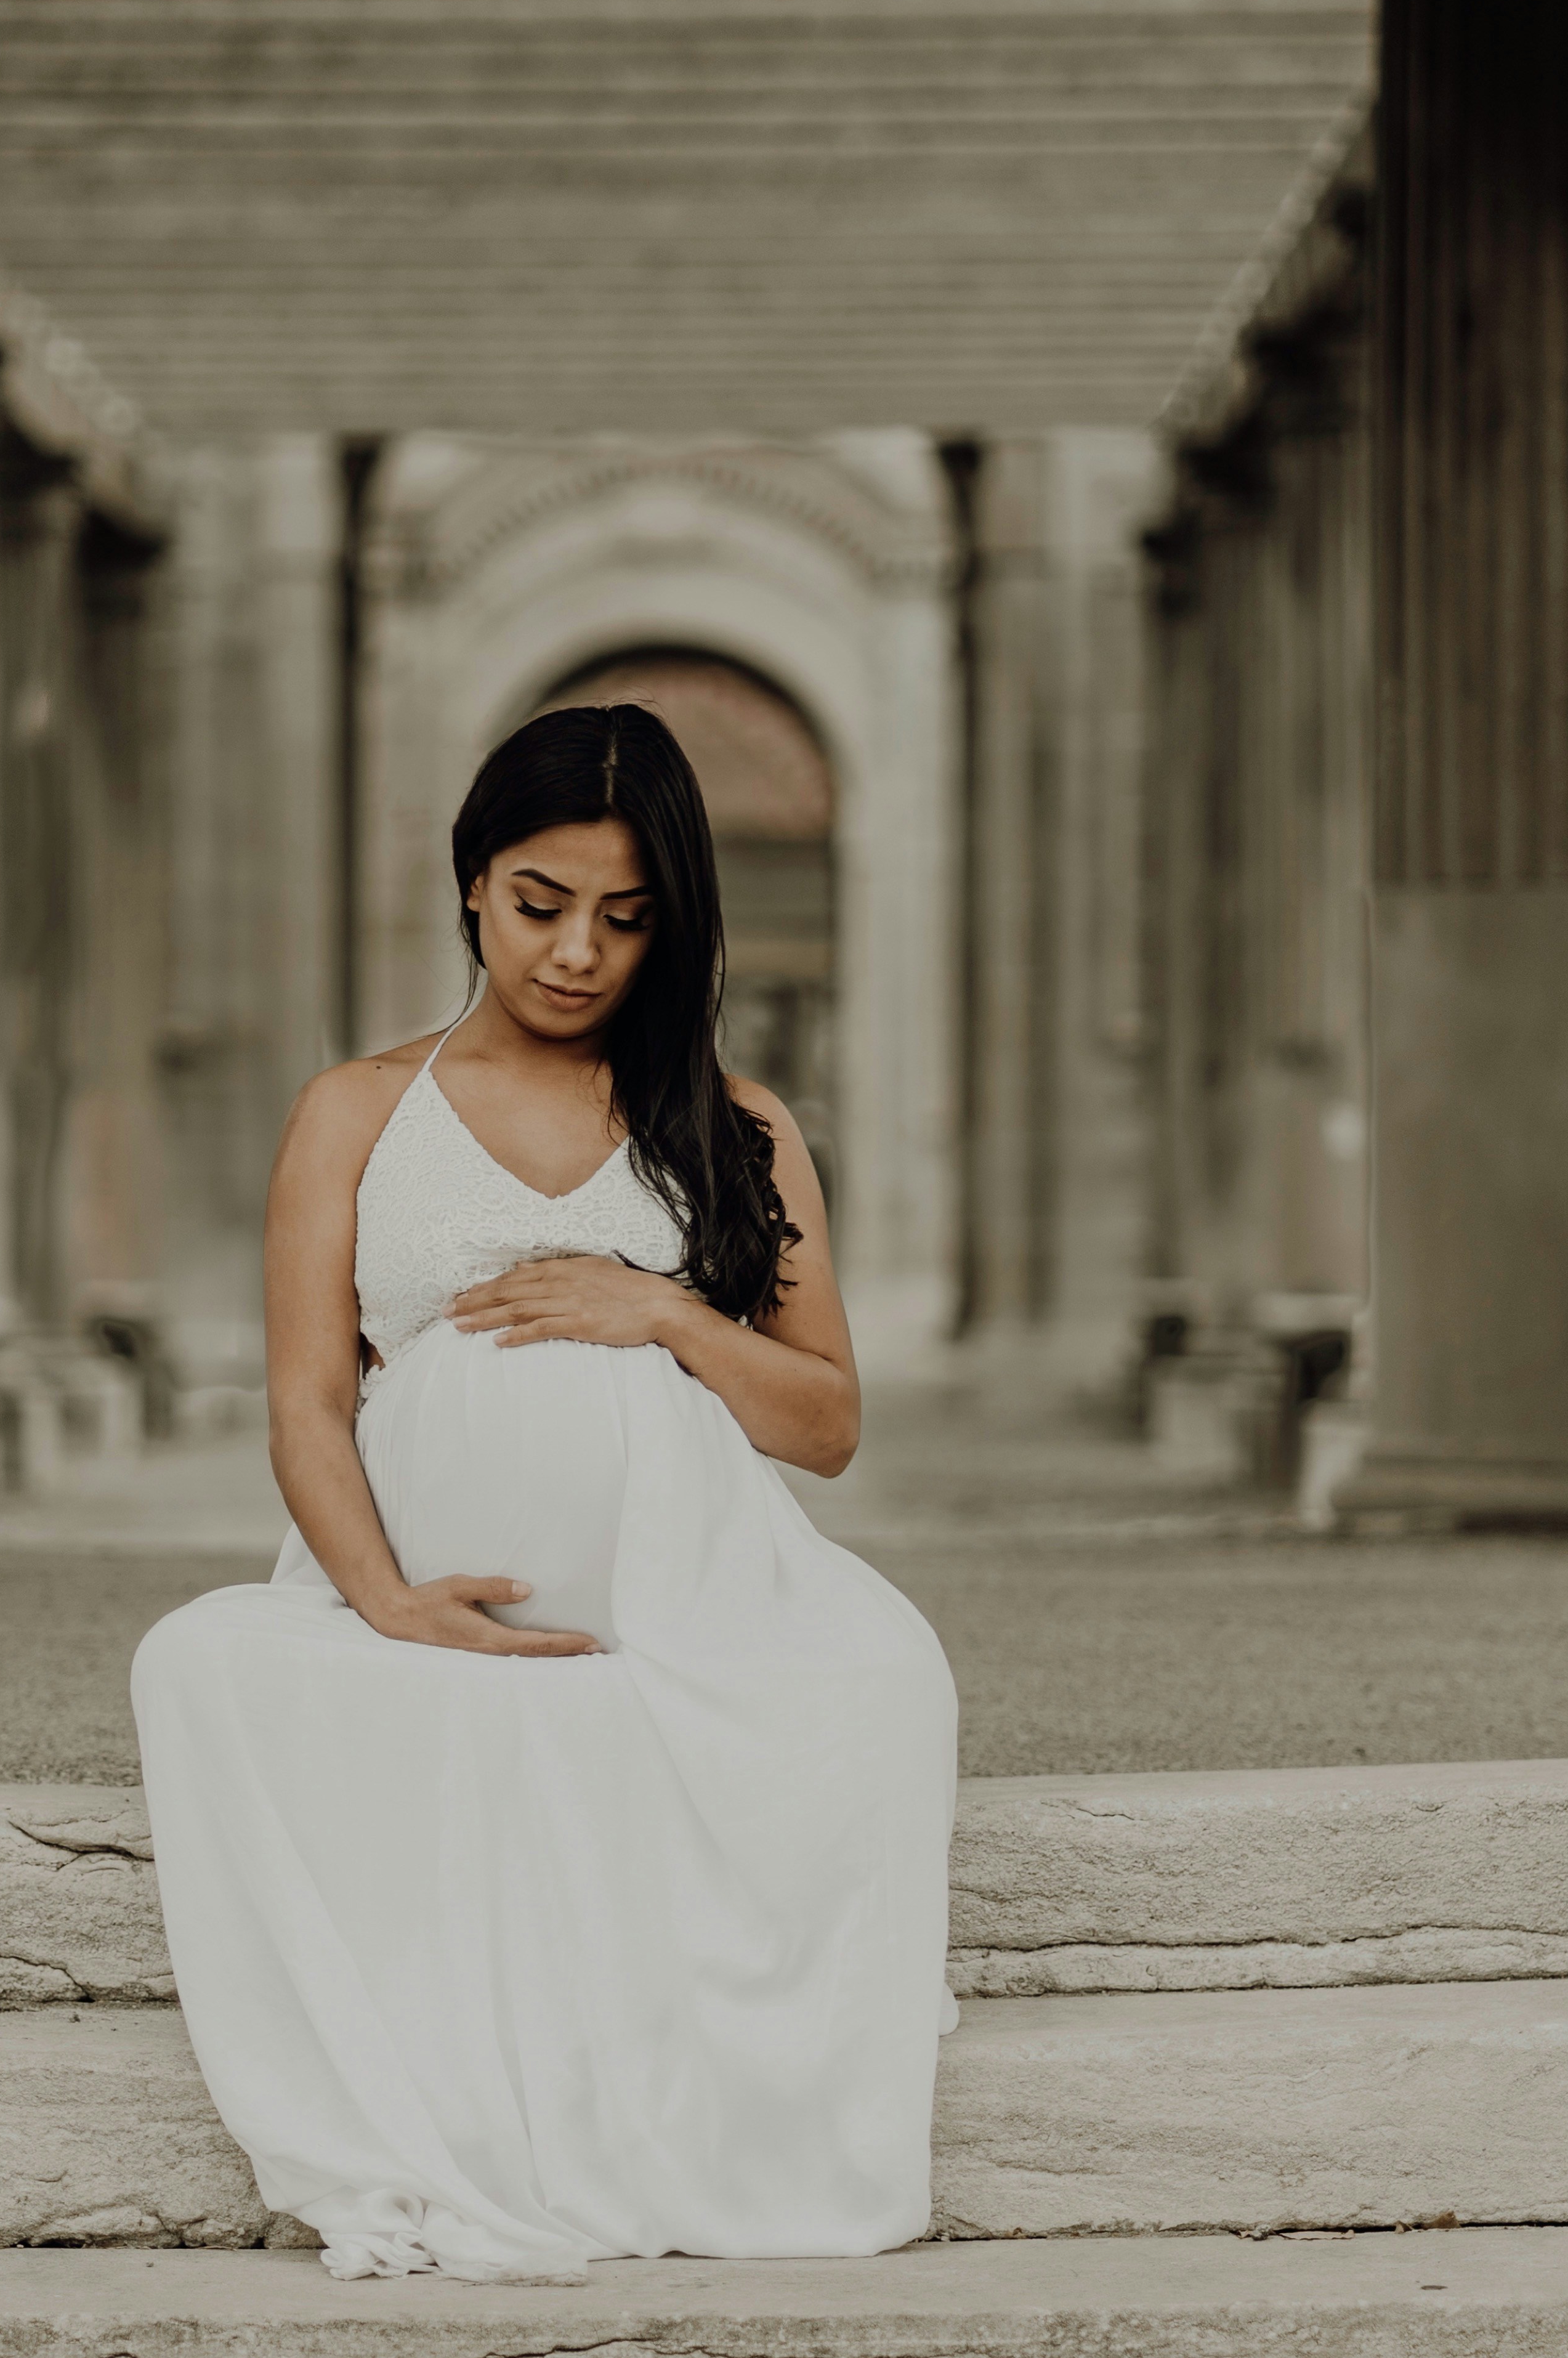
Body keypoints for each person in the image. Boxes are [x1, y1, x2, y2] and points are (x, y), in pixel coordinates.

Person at [132, 702, 956, 2284]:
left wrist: (665, 1314)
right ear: (472, 883)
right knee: (195, 1665)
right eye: (540, 903)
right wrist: (387, 1603)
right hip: (432, 1599)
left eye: (627, 918)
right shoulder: (356, 1111)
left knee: (882, 1692)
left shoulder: (738, 1127)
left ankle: (698, 2125)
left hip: (695, 1606)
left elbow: (827, 1423)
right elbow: (306, 1404)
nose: (579, 952)